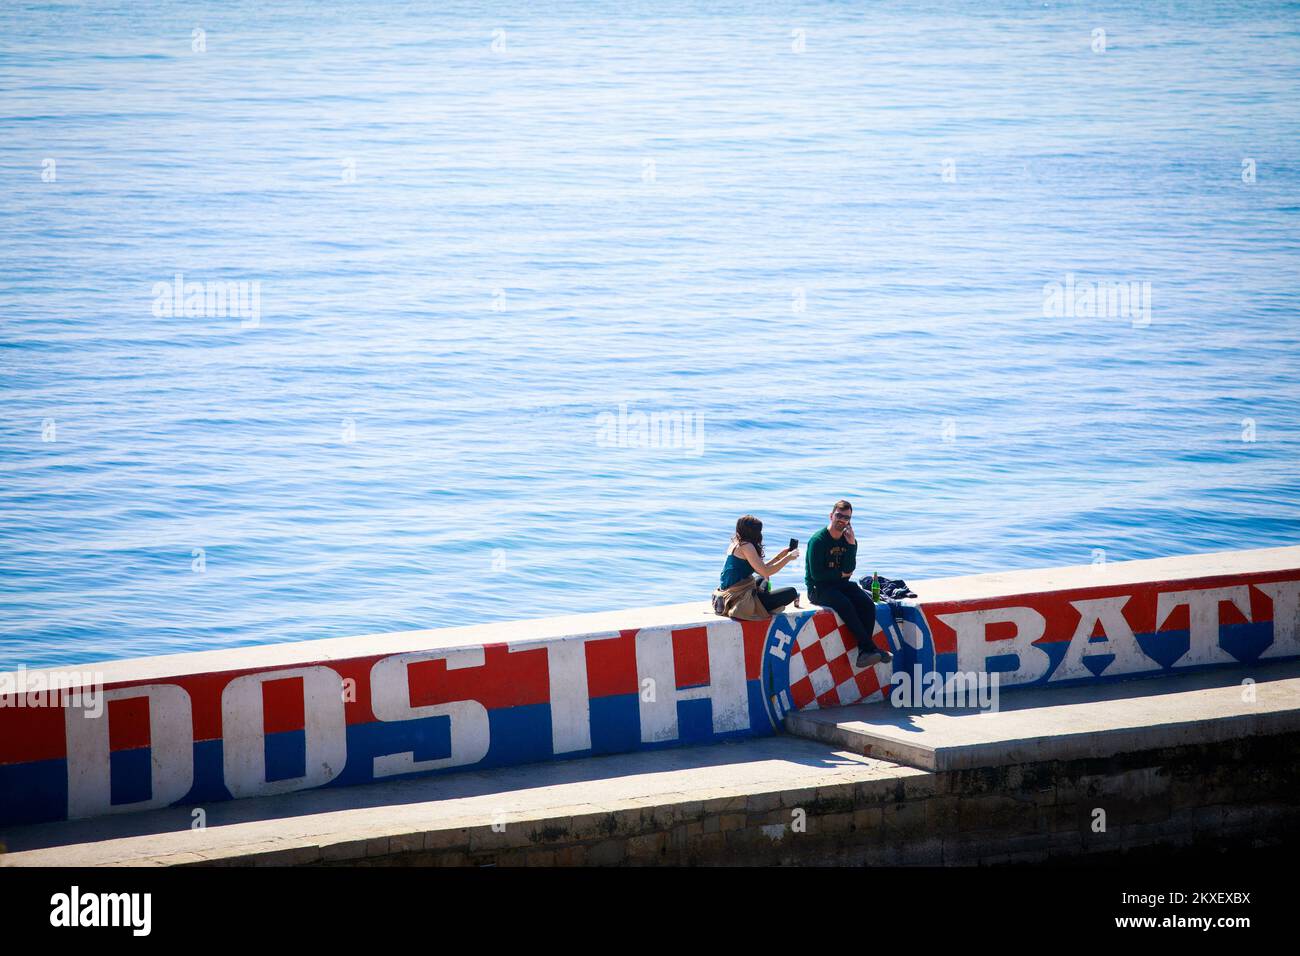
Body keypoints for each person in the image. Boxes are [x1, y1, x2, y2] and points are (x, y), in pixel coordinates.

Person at [805, 499, 893, 668]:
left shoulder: (849, 540)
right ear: (831, 516)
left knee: (867, 604)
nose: (842, 520)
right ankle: (870, 648)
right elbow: (817, 575)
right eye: (839, 516)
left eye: (846, 518)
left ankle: (864, 652)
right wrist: (841, 574)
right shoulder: (818, 540)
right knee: (845, 604)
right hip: (818, 588)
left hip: (840, 584)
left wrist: (851, 545)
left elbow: (849, 569)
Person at [712, 515, 800, 620]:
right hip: (737, 597)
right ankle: (760, 604)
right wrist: (788, 558)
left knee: (761, 580)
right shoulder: (746, 546)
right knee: (791, 592)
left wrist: (779, 557)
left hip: (729, 592)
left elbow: (761, 569)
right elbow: (766, 572)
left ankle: (762, 600)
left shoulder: (737, 543)